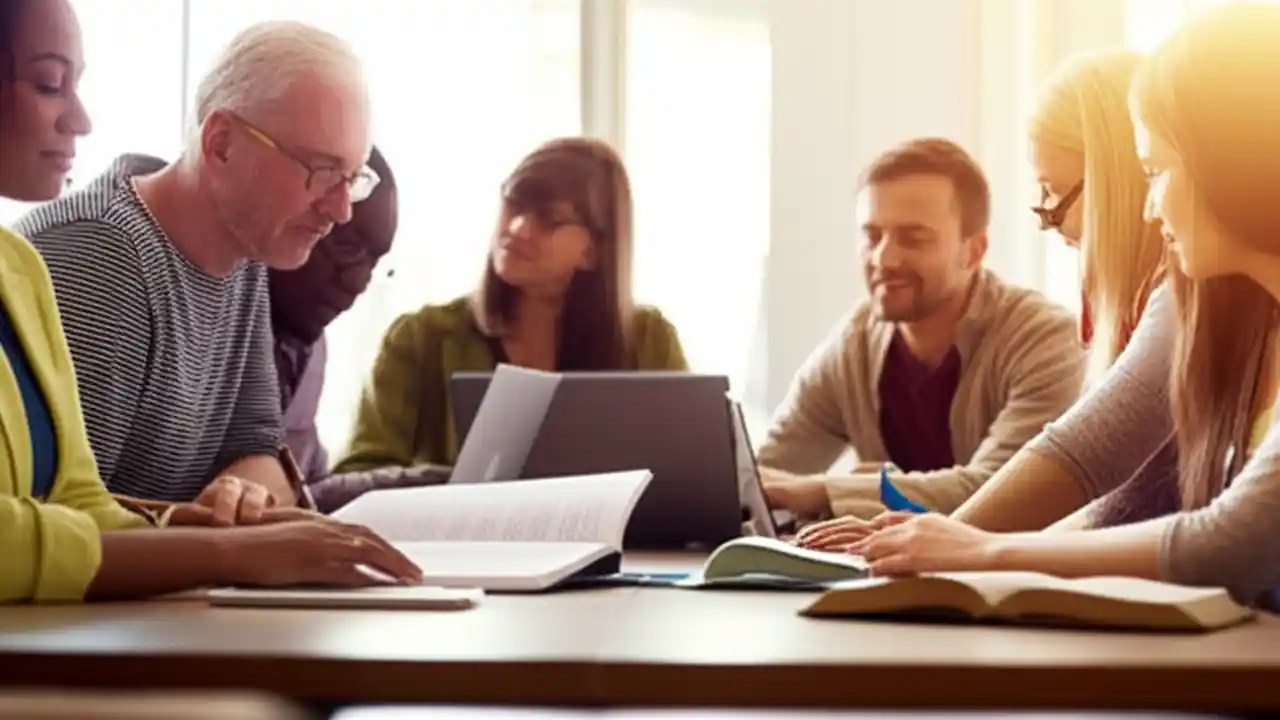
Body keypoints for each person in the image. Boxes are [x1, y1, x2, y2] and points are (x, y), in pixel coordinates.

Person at [814, 2, 1280, 609]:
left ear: (1229, 161)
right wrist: (948, 540)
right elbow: (1088, 446)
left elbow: (1227, 543)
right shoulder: (1208, 303)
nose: (1147, 206)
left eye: (1158, 171)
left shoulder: (1043, 329)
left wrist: (980, 550)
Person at [0, 0, 420, 602]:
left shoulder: (245, 255)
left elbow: (257, 449)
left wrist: (239, 501)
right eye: (320, 171)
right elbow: (51, 516)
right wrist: (230, 548)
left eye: (351, 178)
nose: (341, 210)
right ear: (220, 144)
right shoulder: (98, 260)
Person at [759, 138, 1085, 521]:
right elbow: (763, 477)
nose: (884, 258)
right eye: (872, 236)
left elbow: (1001, 490)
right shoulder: (854, 345)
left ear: (974, 251)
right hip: (893, 572)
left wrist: (823, 492)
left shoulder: (1044, 339)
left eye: (913, 238)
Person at [334, 137, 687, 477]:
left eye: (550, 220)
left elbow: (689, 476)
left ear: (592, 251)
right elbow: (358, 478)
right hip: (453, 539)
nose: (518, 228)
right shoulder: (420, 339)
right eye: (514, 204)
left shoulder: (649, 340)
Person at [1030, 50, 1165, 377]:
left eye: (1057, 191)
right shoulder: (1103, 299)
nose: (1046, 219)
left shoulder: (1174, 302)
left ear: (1114, 182)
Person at [270, 145, 395, 485]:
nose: (357, 281)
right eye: (347, 247)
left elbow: (304, 489)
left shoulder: (310, 350)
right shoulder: (215, 331)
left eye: (374, 262)